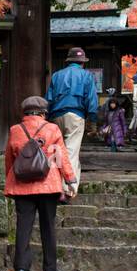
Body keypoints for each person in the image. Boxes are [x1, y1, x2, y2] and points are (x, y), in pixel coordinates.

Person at [4, 96, 76, 271]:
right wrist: (70, 179)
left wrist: (10, 178)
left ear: (25, 112)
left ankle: (21, 268)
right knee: (48, 226)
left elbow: (10, 159)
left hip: (22, 184)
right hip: (48, 185)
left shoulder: (15, 130)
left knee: (23, 226)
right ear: (44, 112)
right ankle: (50, 269)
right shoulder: (52, 129)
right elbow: (62, 157)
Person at [46, 46, 97, 197]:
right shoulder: (86, 76)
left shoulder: (56, 75)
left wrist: (47, 119)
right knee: (71, 152)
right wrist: (93, 121)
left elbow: (48, 99)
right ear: (82, 62)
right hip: (75, 115)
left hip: (55, 116)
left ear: (69, 61)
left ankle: (51, 185)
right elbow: (91, 99)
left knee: (55, 151)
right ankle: (67, 188)